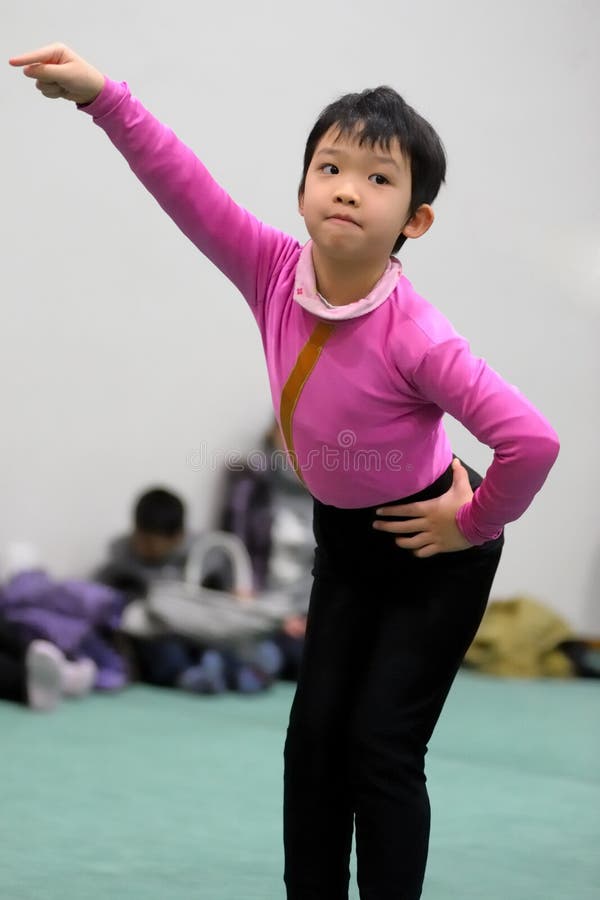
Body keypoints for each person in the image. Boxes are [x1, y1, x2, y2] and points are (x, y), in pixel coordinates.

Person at [9, 44, 560, 900]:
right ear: (302, 189)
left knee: (381, 747)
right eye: (330, 168)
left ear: (415, 220)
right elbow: (184, 185)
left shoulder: (419, 336)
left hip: (434, 553)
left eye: (378, 179)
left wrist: (472, 523)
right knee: (312, 747)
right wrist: (102, 97)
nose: (347, 189)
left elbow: (532, 441)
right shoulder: (270, 271)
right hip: (346, 543)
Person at [95, 485, 281, 694]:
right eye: (142, 539)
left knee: (219, 643)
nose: (146, 548)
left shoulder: (206, 555)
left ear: (179, 536)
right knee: (162, 649)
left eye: (153, 544)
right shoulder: (122, 561)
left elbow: (224, 598)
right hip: (160, 634)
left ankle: (239, 672)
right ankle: (192, 676)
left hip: (198, 631)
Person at [218, 420, 313, 680]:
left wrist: (306, 614)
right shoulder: (251, 480)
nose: (294, 442)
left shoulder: (328, 489)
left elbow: (325, 562)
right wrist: (273, 615)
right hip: (256, 603)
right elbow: (233, 543)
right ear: (273, 433)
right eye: (287, 431)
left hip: (301, 611)